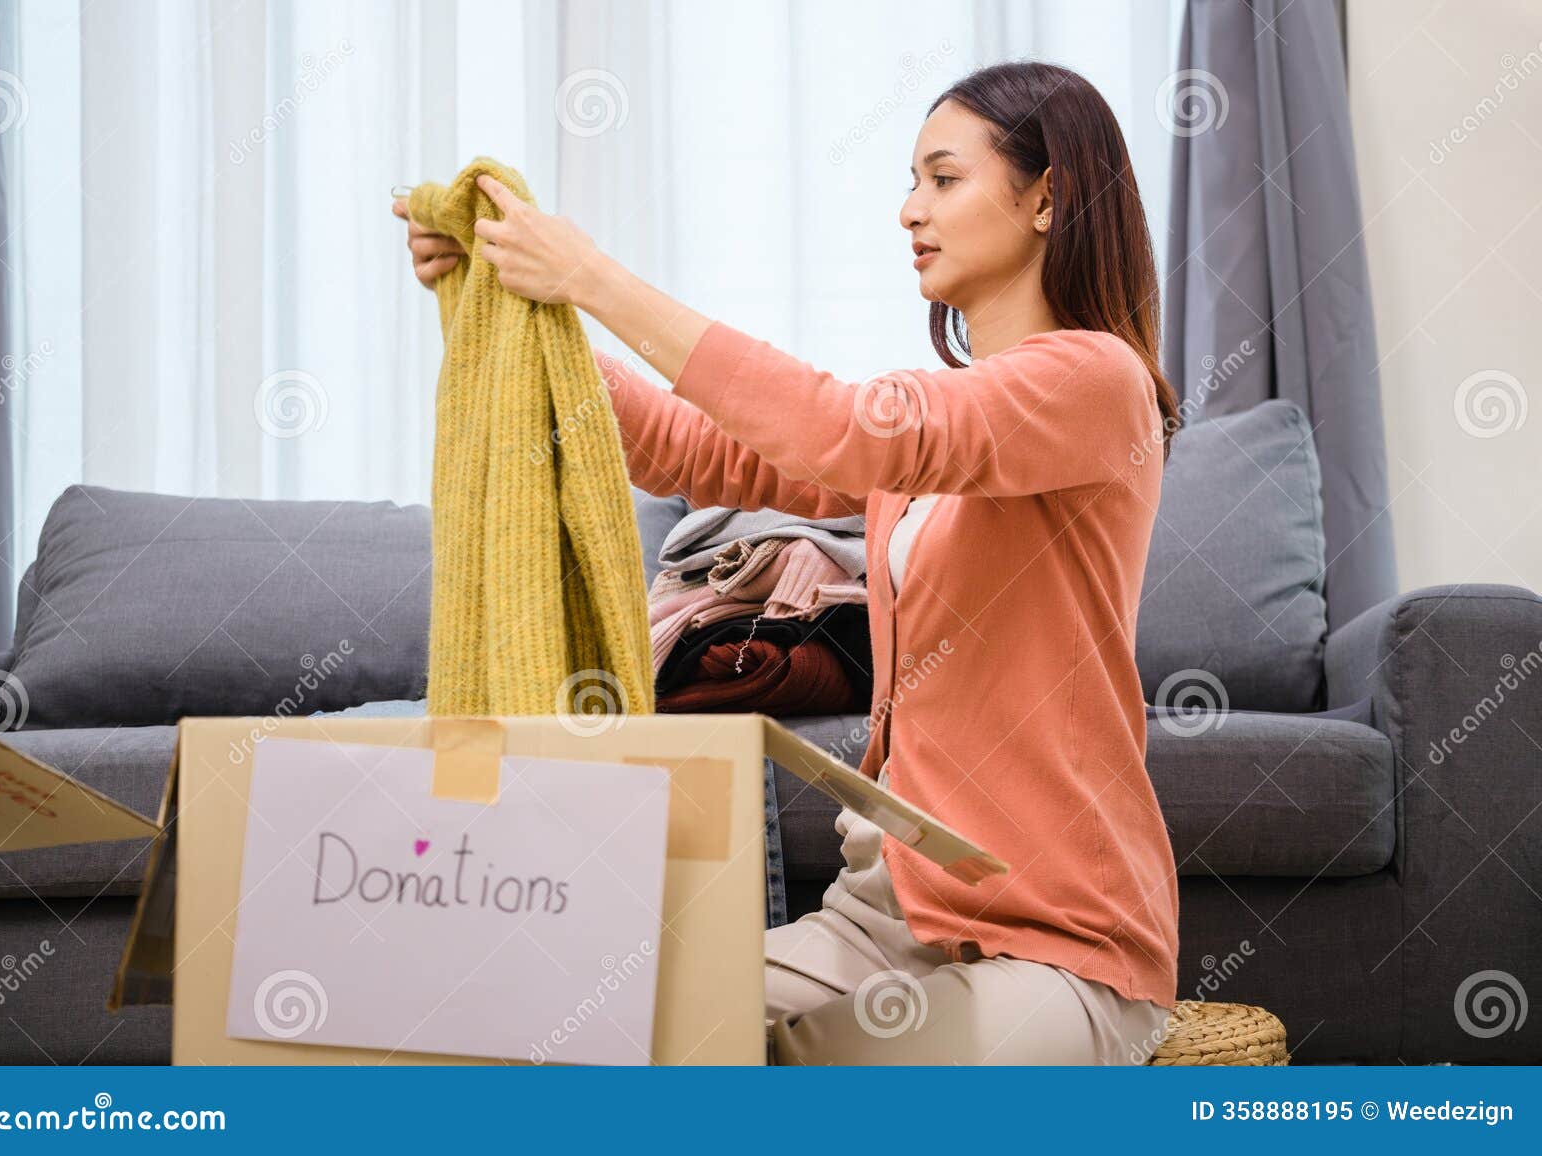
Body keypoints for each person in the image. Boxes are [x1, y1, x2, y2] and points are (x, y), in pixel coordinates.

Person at [397, 60, 1183, 1066]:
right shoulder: (949, 433)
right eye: (909, 181)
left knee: (805, 1080)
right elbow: (707, 452)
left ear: (1048, 195)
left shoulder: (1093, 382)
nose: (910, 210)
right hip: (880, 920)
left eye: (943, 179)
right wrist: (518, 318)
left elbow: (842, 427)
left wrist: (589, 277)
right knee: (604, 1030)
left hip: (1061, 949)